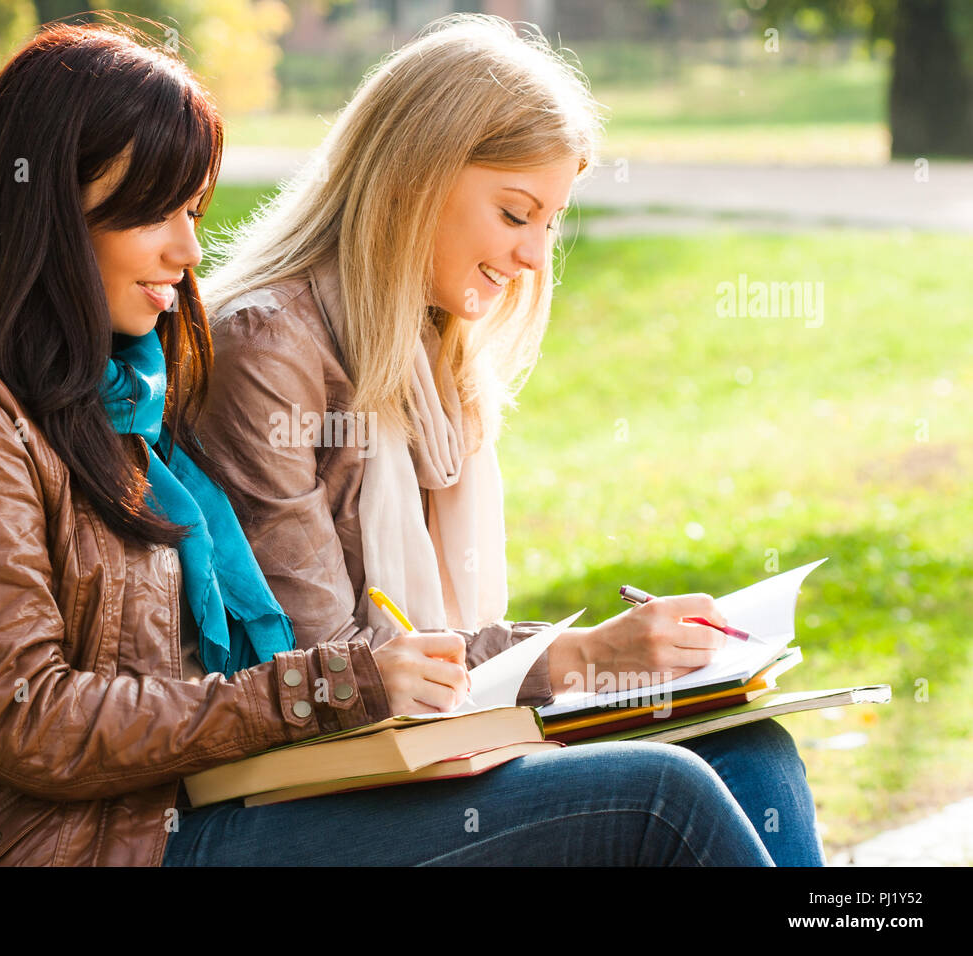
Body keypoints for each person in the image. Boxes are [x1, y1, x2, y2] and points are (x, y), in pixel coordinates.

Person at [0, 19, 775, 867]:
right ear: (48, 207)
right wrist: (322, 690)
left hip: (190, 809)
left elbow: (297, 663)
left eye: (194, 214)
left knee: (743, 747)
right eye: (156, 213)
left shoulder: (104, 398)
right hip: (102, 846)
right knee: (659, 798)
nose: (188, 253)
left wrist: (574, 659)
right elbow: (30, 721)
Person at [194, 14, 824, 866]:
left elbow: (450, 637)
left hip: (423, 751)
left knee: (749, 747)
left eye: (551, 221)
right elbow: (329, 662)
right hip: (304, 783)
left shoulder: (430, 351)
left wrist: (624, 665)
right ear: (413, 178)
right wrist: (583, 660)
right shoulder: (267, 345)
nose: (533, 255)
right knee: (665, 792)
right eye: (515, 212)